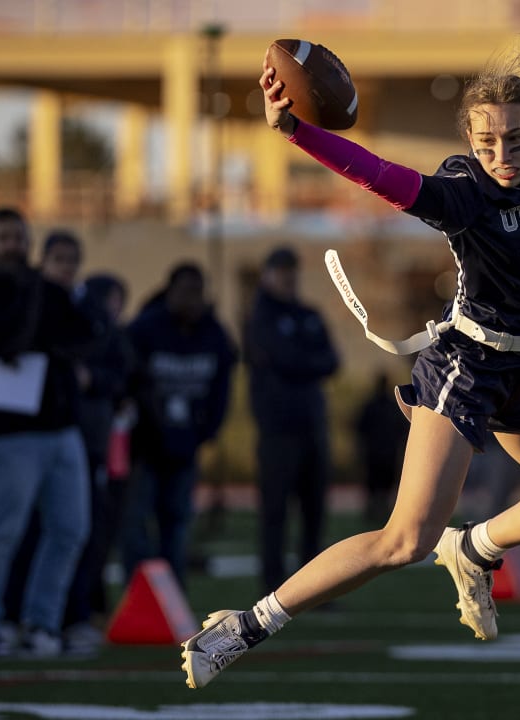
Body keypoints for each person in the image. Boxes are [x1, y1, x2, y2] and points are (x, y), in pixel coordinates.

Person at [180, 40, 520, 689]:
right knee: (404, 540)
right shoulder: (464, 192)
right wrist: (297, 131)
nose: (502, 155)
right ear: (471, 139)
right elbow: (374, 172)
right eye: (488, 142)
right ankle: (244, 625)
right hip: (469, 368)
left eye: (516, 140)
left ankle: (472, 548)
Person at [0, 208, 94, 659]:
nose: (13, 245)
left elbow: (83, 336)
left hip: (61, 427)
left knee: (70, 528)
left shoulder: (47, 289)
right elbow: (2, 341)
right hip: (10, 431)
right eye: (3, 238)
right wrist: (34, 297)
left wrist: (58, 294)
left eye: (18, 236)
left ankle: (41, 624)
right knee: (4, 530)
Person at [123, 262, 237, 588]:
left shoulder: (214, 333)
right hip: (144, 447)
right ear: (169, 291)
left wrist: (207, 431)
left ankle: (173, 595)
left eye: (198, 293)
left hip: (186, 446)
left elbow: (222, 387)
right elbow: (128, 381)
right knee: (137, 522)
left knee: (177, 522)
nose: (192, 300)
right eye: (186, 292)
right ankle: (141, 594)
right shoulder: (145, 329)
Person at [245, 245, 340, 594]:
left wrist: (300, 362)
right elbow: (285, 358)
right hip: (277, 428)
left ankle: (312, 586)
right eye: (281, 269)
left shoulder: (308, 314)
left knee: (314, 511)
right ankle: (272, 585)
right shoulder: (259, 317)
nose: (288, 277)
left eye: (292, 269)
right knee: (275, 511)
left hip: (311, 424)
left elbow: (330, 361)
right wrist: (304, 361)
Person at [63, 272, 134, 655]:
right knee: (77, 530)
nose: (115, 310)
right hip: (83, 443)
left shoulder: (113, 337)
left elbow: (123, 375)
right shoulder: (85, 335)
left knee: (99, 528)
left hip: (106, 444)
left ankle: (88, 608)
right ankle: (73, 612)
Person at [353, 372, 410, 523]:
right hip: (388, 453)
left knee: (374, 486)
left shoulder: (370, 406)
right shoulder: (393, 407)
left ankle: (374, 513)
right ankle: (382, 514)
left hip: (374, 453)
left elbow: (359, 428)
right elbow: (404, 429)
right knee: (384, 487)